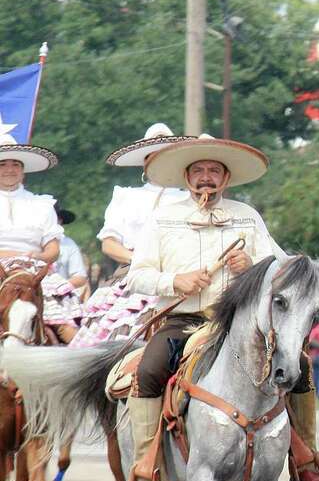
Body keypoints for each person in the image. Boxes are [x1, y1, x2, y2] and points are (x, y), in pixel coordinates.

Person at [121, 136, 319, 481]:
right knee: (149, 369)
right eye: (199, 170)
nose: (206, 177)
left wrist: (251, 265)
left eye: (214, 171)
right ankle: (146, 470)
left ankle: (306, 461)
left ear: (226, 178)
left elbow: (281, 270)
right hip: (183, 321)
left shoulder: (247, 216)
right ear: (187, 176)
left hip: (239, 323)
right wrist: (175, 281)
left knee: (299, 367)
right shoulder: (163, 217)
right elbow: (136, 276)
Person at [72, 123, 190, 348]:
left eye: (165, 155)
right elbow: (109, 245)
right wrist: (143, 261)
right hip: (134, 273)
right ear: (144, 162)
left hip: (181, 273)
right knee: (104, 335)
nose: (159, 161)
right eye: (153, 156)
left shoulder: (190, 197)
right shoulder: (127, 197)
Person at [0, 134, 82, 342]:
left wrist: (36, 257)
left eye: (15, 164)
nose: (9, 169)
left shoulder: (42, 205)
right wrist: (15, 254)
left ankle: (79, 357)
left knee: (64, 327)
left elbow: (53, 250)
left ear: (23, 170)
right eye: (3, 164)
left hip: (34, 270)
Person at [52, 204, 89, 301]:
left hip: (58, 296)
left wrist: (62, 287)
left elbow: (80, 276)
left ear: (60, 221)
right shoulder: (28, 242)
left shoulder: (68, 244)